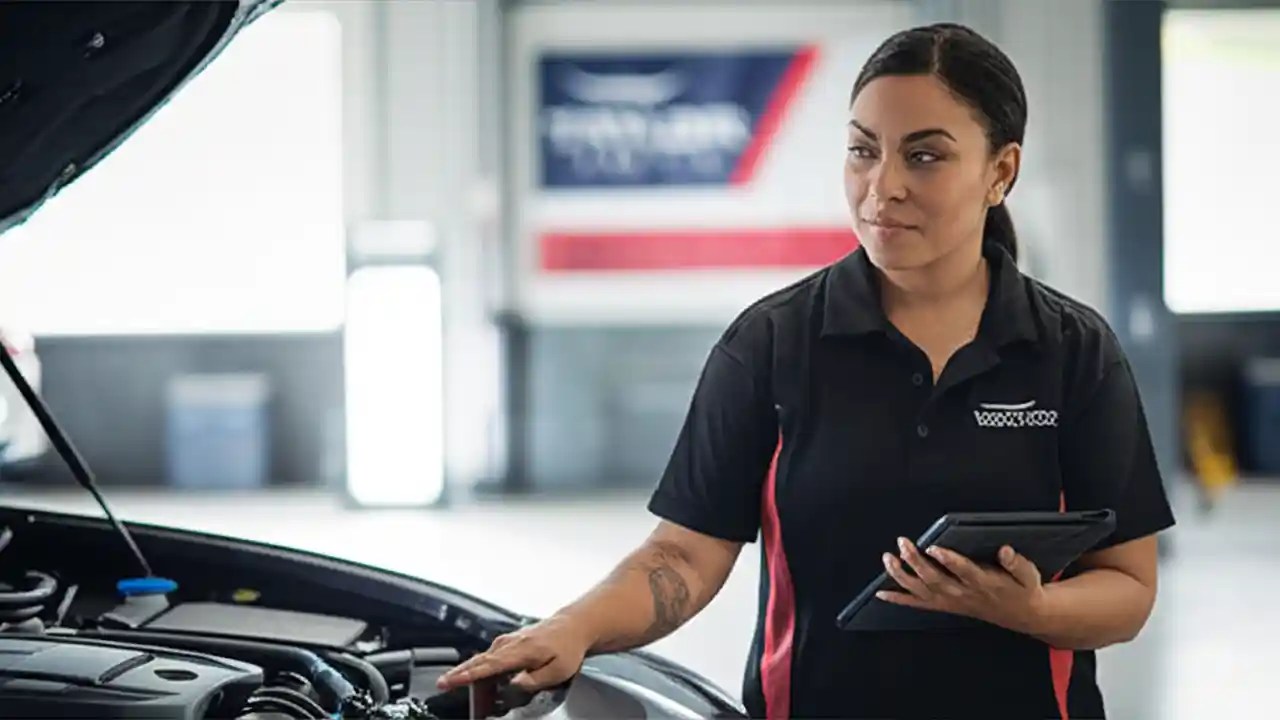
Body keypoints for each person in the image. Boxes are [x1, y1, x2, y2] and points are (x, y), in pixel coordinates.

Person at [437, 23, 1175, 719]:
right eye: (862, 151)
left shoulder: (1073, 351)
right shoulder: (772, 344)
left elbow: (1128, 589)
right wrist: (574, 627)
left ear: (1000, 171)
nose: (882, 186)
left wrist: (1034, 612)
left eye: (924, 155)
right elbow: (684, 556)